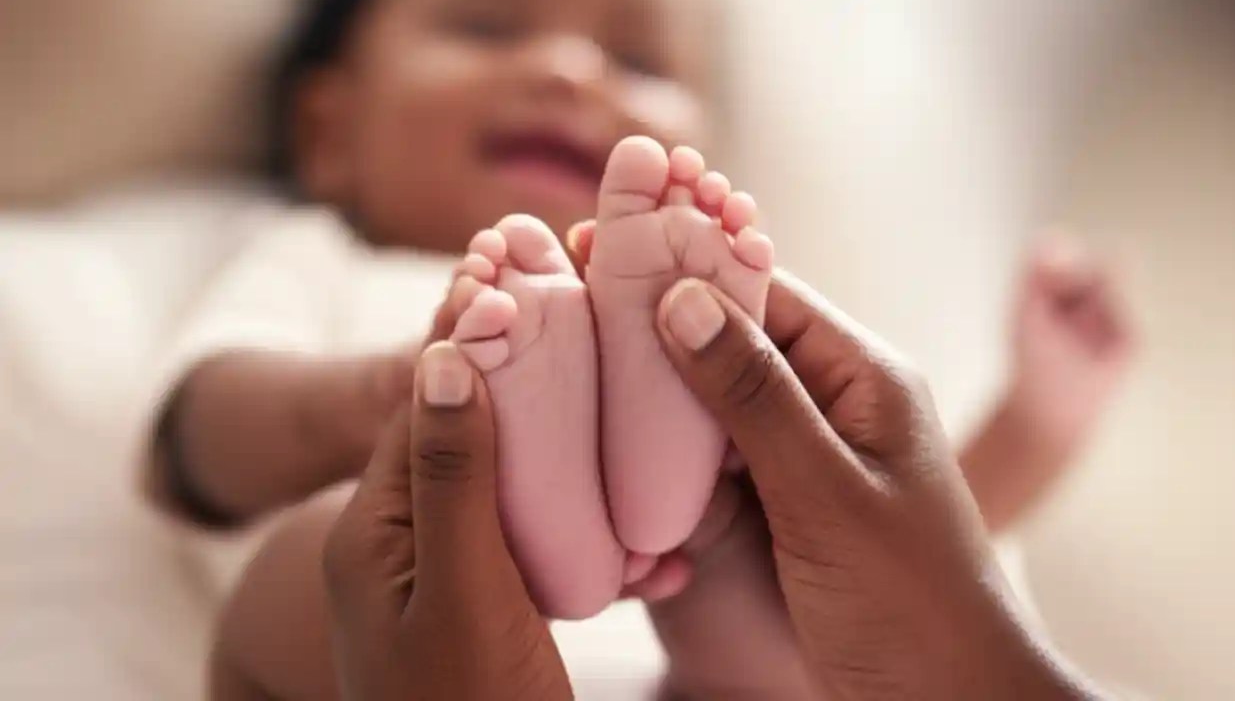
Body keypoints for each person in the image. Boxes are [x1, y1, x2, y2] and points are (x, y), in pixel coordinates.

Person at [231, 270, 1110, 700]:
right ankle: (699, 546)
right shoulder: (312, 251)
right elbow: (192, 437)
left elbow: (892, 574)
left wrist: (1032, 425)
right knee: (310, 557)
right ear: (327, 126)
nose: (571, 71)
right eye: (484, 26)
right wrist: (379, 392)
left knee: (776, 582)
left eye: (639, 64)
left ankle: (686, 540)